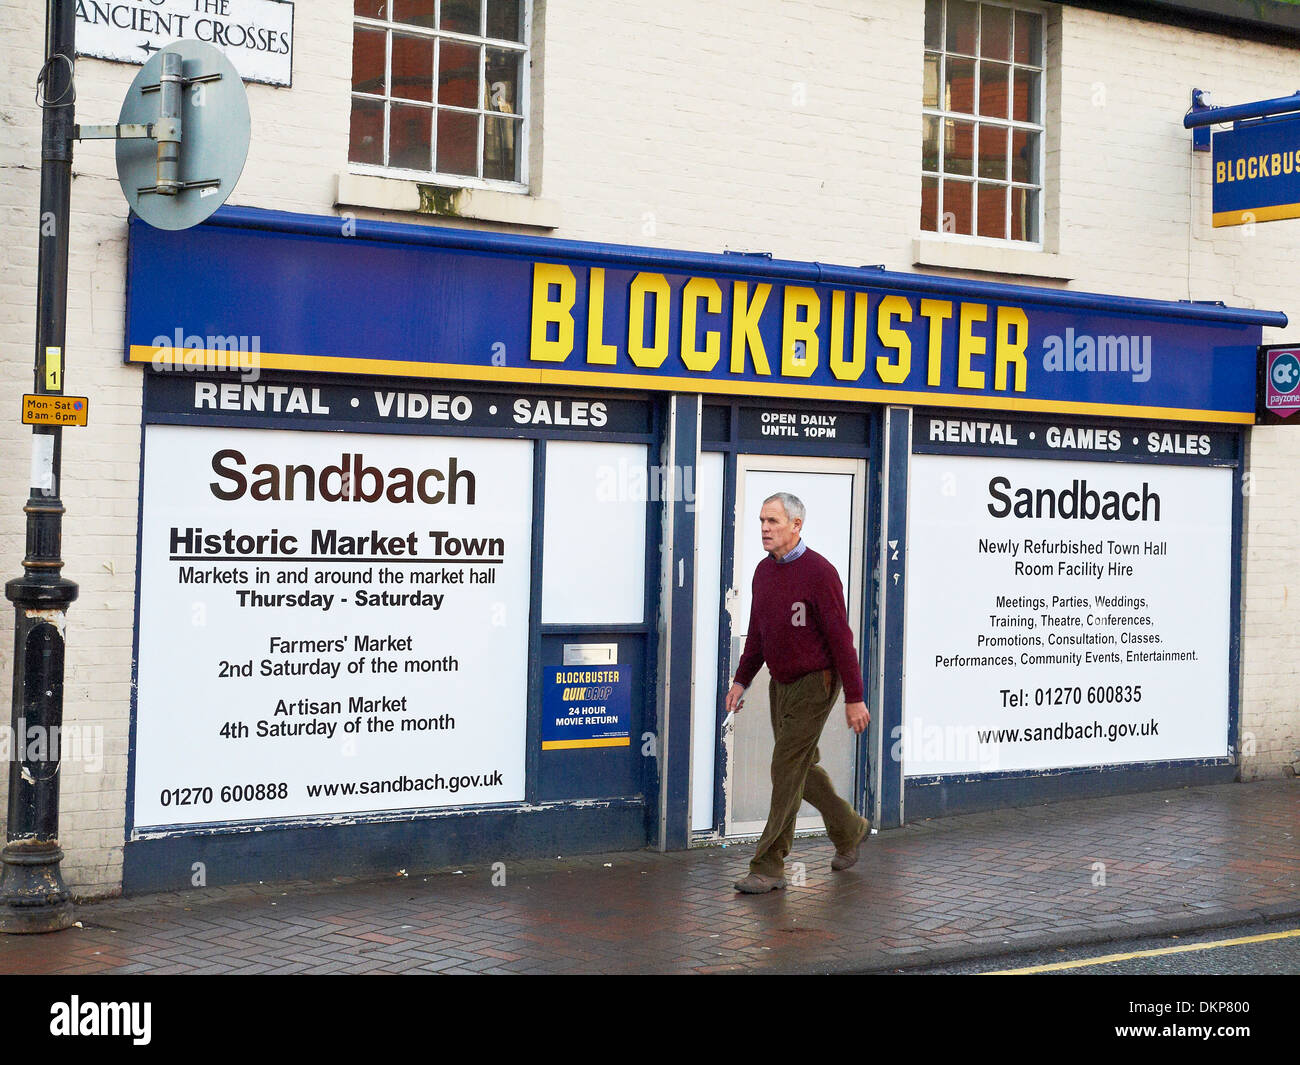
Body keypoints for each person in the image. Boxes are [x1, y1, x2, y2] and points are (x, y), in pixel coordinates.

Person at [726, 491, 870, 894]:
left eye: (772, 521)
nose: (765, 529)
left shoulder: (820, 572)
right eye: (761, 521)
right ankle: (849, 829)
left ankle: (768, 866)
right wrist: (741, 680)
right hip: (780, 682)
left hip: (816, 682)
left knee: (785, 768)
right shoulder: (762, 571)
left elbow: (842, 639)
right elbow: (757, 633)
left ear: (796, 525)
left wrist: (854, 697)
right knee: (801, 768)